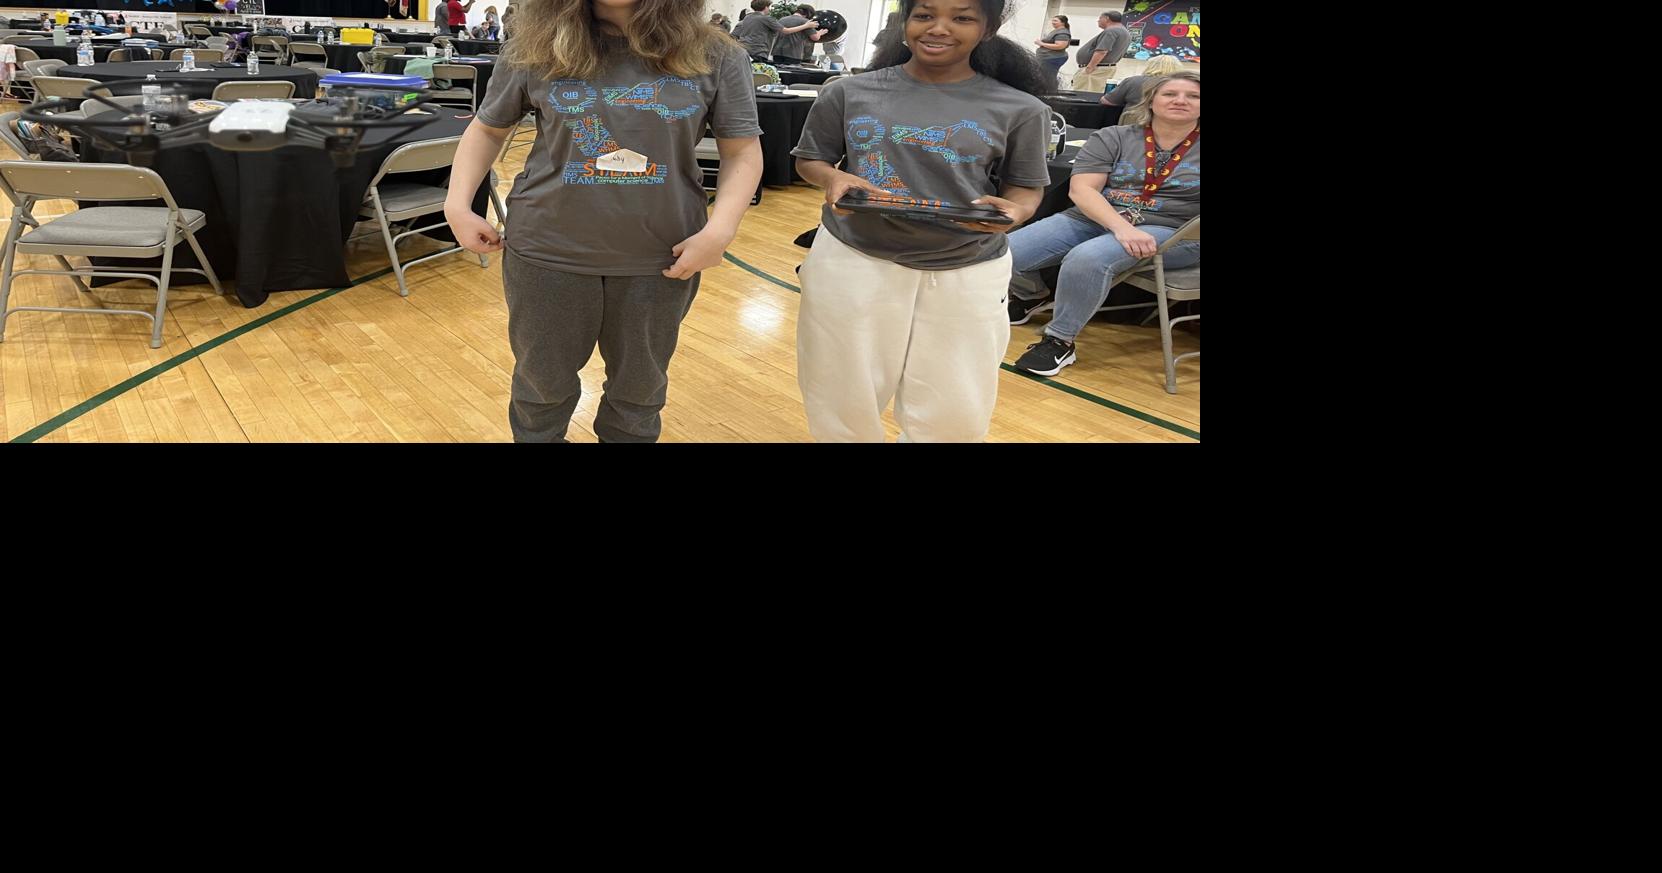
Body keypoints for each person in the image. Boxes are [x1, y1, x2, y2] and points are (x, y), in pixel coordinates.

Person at [444, 0, 764, 442]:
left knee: (638, 395)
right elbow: (487, 129)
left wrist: (721, 230)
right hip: (546, 250)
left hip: (662, 257)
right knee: (541, 389)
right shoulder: (533, 44)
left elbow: (741, 150)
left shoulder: (717, 53)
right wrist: (457, 205)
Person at [790, 0, 1052, 442]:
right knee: (840, 393)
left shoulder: (1021, 108)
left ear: (988, 28)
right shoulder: (849, 92)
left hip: (967, 268)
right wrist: (833, 178)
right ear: (905, 22)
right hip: (853, 259)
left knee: (956, 406)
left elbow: (1025, 190)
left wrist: (1015, 212)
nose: (939, 28)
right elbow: (810, 159)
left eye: (962, 18)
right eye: (925, 15)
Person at [1005, 70, 1200, 375]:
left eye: (1193, 96)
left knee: (1087, 258)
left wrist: (1130, 231)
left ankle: (1059, 341)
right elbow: (1082, 190)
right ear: (1151, 101)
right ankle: (1032, 295)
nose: (1180, 100)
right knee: (1005, 250)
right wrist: (1122, 228)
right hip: (1097, 218)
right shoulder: (1113, 137)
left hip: (1171, 230)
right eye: (1170, 94)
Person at [1099, 53, 1182, 121]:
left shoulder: (1133, 81)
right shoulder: (1182, 86)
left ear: (1150, 66)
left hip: (1130, 124)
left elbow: (1107, 101)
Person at [731, 0, 819, 64]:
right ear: (766, 7)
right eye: (769, 7)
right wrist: (806, 26)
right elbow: (786, 31)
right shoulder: (766, 19)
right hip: (758, 52)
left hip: (744, 50)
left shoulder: (747, 17)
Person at [1070, 10, 1129, 92]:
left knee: (1084, 94)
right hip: (1102, 68)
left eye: (1100, 18)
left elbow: (1102, 51)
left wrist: (1089, 68)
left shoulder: (1111, 31)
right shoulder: (1123, 31)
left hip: (1096, 70)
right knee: (1094, 92)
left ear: (1107, 18)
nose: (1098, 21)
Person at [1032, 14, 1069, 85]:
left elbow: (1060, 46)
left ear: (1062, 22)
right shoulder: (1057, 31)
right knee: (1045, 76)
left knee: (1047, 77)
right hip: (1048, 57)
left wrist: (1041, 43)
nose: (1053, 22)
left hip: (1052, 58)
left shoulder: (1063, 33)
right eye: (1052, 20)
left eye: (1055, 21)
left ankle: (1047, 89)